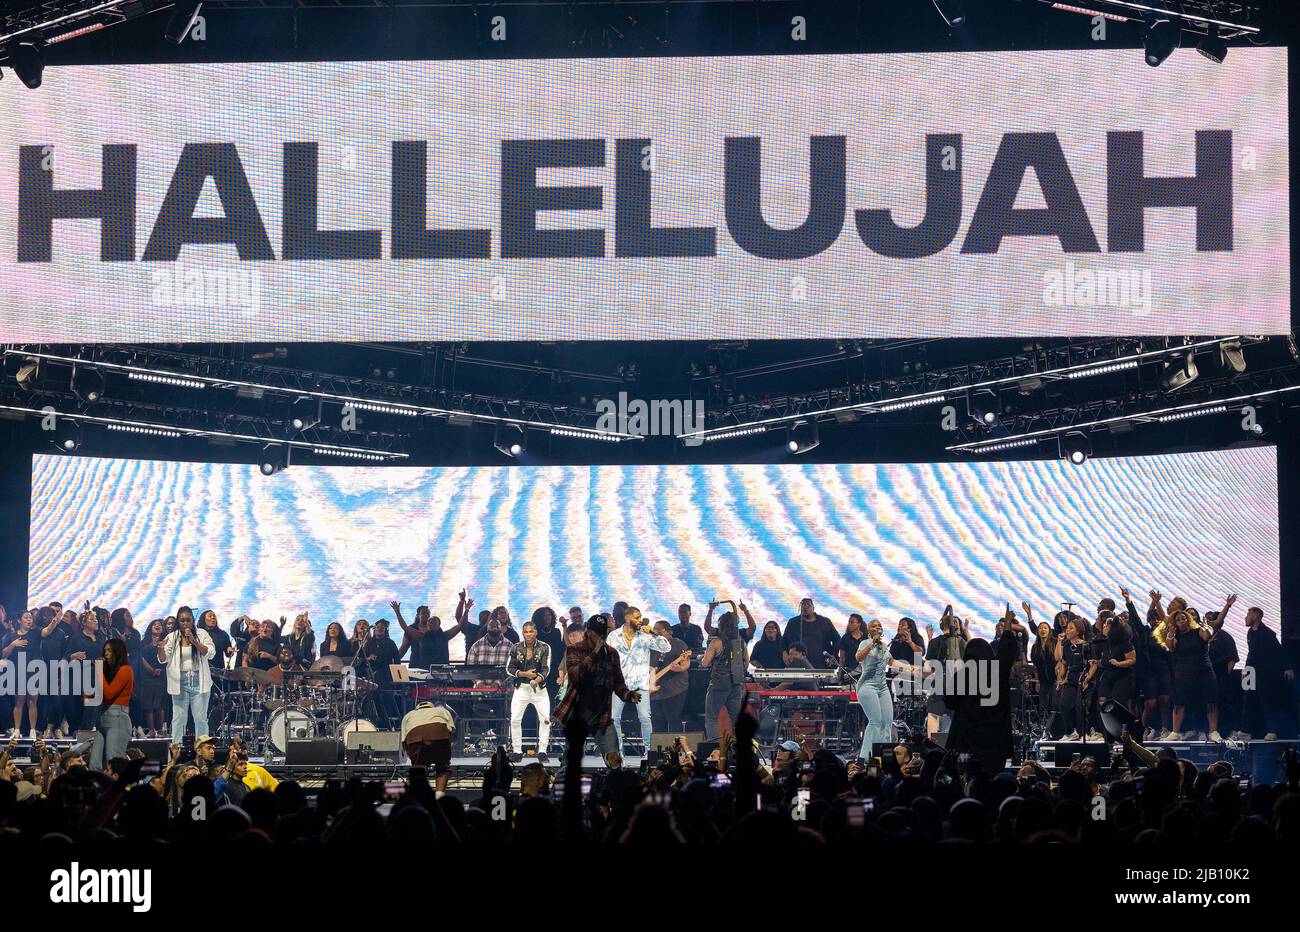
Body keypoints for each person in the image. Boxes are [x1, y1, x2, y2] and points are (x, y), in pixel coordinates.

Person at [552, 614, 642, 762]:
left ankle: (613, 781)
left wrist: (627, 695)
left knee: (614, 759)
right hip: (578, 713)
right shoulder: (574, 650)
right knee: (571, 761)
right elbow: (575, 677)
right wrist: (594, 654)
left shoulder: (611, 653)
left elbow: (618, 682)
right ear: (588, 632)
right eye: (597, 632)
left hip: (602, 715)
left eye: (603, 632)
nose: (602, 636)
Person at [946, 607, 1026, 774]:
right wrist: (1008, 624)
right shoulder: (997, 670)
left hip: (965, 743)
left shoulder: (961, 675)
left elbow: (950, 702)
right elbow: (1006, 650)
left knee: (964, 771)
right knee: (993, 775)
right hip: (995, 744)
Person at [606, 606, 671, 756]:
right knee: (614, 718)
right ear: (627, 618)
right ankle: (618, 753)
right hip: (620, 684)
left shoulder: (645, 636)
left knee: (645, 718)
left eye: (641, 617)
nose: (640, 620)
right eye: (637, 617)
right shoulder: (614, 636)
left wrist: (654, 634)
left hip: (640, 684)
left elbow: (666, 648)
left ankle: (649, 753)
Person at [856, 619, 917, 758]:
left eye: (879, 626)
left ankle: (885, 757)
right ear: (869, 630)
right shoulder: (865, 643)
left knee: (887, 721)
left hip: (882, 687)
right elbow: (858, 658)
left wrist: (910, 668)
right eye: (874, 626)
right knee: (875, 721)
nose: (877, 628)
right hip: (867, 685)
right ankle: (867, 758)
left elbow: (892, 662)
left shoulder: (884, 647)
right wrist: (872, 643)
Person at [1158, 608, 1219, 741]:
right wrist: (1170, 634)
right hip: (1183, 673)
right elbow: (1170, 647)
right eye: (1178, 620)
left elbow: (1206, 636)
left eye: (1184, 618)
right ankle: (1175, 732)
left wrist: (1205, 626)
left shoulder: (1198, 631)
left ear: (1188, 620)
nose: (1181, 621)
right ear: (1175, 622)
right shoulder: (1176, 636)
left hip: (1204, 671)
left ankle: (1213, 731)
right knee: (1179, 703)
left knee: (1210, 702)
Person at [160, 606, 214, 744]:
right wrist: (160, 648)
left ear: (193, 620)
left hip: (199, 681)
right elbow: (162, 658)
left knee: (200, 719)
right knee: (178, 719)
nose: (185, 623)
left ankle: (202, 753)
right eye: (182, 620)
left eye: (188, 620)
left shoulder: (202, 634)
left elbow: (210, 653)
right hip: (180, 682)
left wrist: (194, 641)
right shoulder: (172, 637)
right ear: (178, 621)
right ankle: (176, 755)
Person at [1241, 604, 1295, 740]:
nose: (1245, 618)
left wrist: (1287, 667)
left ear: (1256, 615)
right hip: (1251, 671)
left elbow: (1279, 651)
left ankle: (1272, 731)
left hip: (1265, 672)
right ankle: (1246, 730)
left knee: (1267, 700)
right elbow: (1251, 654)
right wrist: (1246, 671)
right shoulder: (1250, 633)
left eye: (1248, 614)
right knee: (1248, 700)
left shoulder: (1267, 634)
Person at [506, 620, 552, 760]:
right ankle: (517, 751)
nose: (528, 634)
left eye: (531, 631)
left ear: (536, 632)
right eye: (526, 632)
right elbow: (509, 668)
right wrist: (525, 674)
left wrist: (536, 680)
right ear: (522, 633)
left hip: (539, 689)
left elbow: (546, 668)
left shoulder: (545, 647)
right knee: (515, 719)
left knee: (545, 719)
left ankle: (542, 751)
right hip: (521, 689)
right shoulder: (515, 647)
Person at [702, 610, 748, 740]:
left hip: (719, 684)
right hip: (736, 684)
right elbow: (746, 663)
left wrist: (702, 658)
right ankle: (739, 747)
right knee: (736, 718)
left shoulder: (716, 642)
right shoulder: (741, 643)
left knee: (711, 718)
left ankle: (714, 748)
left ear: (721, 625)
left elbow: (705, 663)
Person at [1205, 596, 1241, 738]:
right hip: (1207, 676)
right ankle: (1211, 730)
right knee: (1210, 704)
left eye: (1210, 618)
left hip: (1221, 675)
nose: (1207, 621)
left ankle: (1232, 730)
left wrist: (1225, 673)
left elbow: (1233, 657)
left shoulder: (1225, 637)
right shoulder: (1205, 636)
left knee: (1225, 703)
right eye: (1206, 618)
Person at [95, 638, 133, 770]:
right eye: (104, 650)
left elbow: (110, 693)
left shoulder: (125, 670)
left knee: (113, 764)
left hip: (118, 718)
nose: (105, 653)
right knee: (95, 763)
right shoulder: (108, 673)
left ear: (118, 652)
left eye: (109, 650)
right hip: (103, 719)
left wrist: (99, 671)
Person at [393, 599, 464, 669]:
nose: (427, 616)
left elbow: (459, 626)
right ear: (418, 615)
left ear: (438, 625)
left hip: (441, 670)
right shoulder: (422, 636)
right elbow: (404, 630)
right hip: (418, 668)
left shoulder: (443, 635)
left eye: (428, 614)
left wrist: (464, 607)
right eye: (423, 613)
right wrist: (393, 662)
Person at [1, 610, 39, 738]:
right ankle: (17, 730)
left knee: (33, 701)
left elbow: (47, 631)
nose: (29, 619)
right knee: (19, 702)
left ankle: (32, 730)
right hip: (18, 672)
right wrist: (13, 645)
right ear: (19, 620)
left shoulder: (35, 634)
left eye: (30, 617)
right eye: (26, 617)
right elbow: (4, 654)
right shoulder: (11, 636)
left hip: (34, 672)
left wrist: (55, 621)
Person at [649, 620, 691, 734]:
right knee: (657, 721)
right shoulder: (651, 645)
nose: (656, 632)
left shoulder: (678, 644)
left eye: (659, 629)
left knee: (673, 718)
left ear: (669, 632)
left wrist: (681, 668)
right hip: (655, 690)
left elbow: (686, 660)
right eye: (654, 630)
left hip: (674, 689)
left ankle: (676, 748)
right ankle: (658, 749)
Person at [782, 598, 838, 669]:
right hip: (797, 665)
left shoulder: (824, 622)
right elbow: (783, 640)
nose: (805, 607)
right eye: (803, 605)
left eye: (808, 605)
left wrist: (833, 655)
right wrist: (784, 653)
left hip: (821, 665)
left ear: (813, 608)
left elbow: (837, 639)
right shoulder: (793, 622)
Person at [530, 606, 566, 702]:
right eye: (545, 615)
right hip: (540, 669)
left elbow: (561, 650)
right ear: (539, 617)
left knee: (554, 695)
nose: (548, 617)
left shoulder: (556, 632)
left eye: (549, 615)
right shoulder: (535, 634)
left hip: (554, 669)